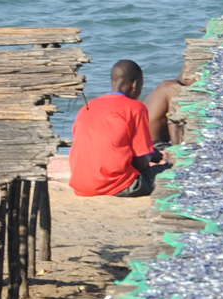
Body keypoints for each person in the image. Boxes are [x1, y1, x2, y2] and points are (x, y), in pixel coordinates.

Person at [69, 60, 167, 197]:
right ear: (135, 84)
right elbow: (141, 164)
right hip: (115, 186)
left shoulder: (88, 107)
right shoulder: (135, 108)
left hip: (81, 185)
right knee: (173, 171)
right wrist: (152, 156)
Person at [143, 65, 202, 146]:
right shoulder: (173, 89)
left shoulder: (165, 86)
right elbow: (176, 128)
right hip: (154, 146)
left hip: (144, 144)